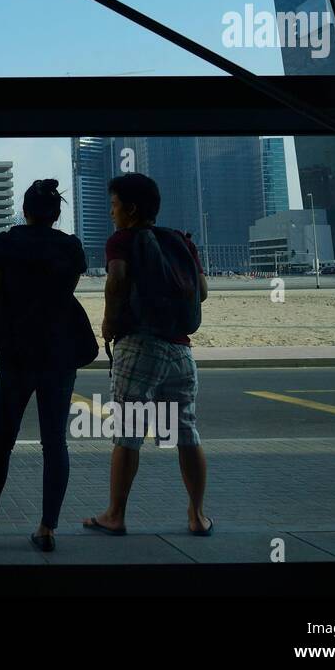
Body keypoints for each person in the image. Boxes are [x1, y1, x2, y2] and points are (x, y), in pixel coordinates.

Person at [0, 179, 98, 552]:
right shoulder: (70, 246)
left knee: (1, 441)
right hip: (60, 352)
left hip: (17, 354)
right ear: (57, 214)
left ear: (26, 210)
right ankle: (47, 529)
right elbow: (66, 293)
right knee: (55, 443)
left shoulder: (8, 242)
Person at [83, 172, 213, 538]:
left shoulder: (122, 240)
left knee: (127, 434)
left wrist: (109, 321)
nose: (111, 213)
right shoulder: (180, 242)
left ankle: (115, 515)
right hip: (181, 350)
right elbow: (201, 292)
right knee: (186, 430)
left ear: (132, 209)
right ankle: (197, 515)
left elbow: (118, 279)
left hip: (139, 345)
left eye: (113, 205)